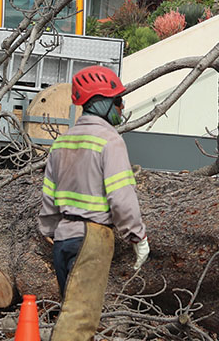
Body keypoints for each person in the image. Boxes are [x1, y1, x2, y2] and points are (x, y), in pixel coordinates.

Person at [38, 65, 150, 341]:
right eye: (117, 101)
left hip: (63, 239)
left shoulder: (62, 143)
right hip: (93, 237)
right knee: (79, 322)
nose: (121, 108)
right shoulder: (109, 141)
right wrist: (138, 237)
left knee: (71, 313)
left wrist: (53, 232)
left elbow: (48, 200)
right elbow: (121, 198)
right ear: (102, 103)